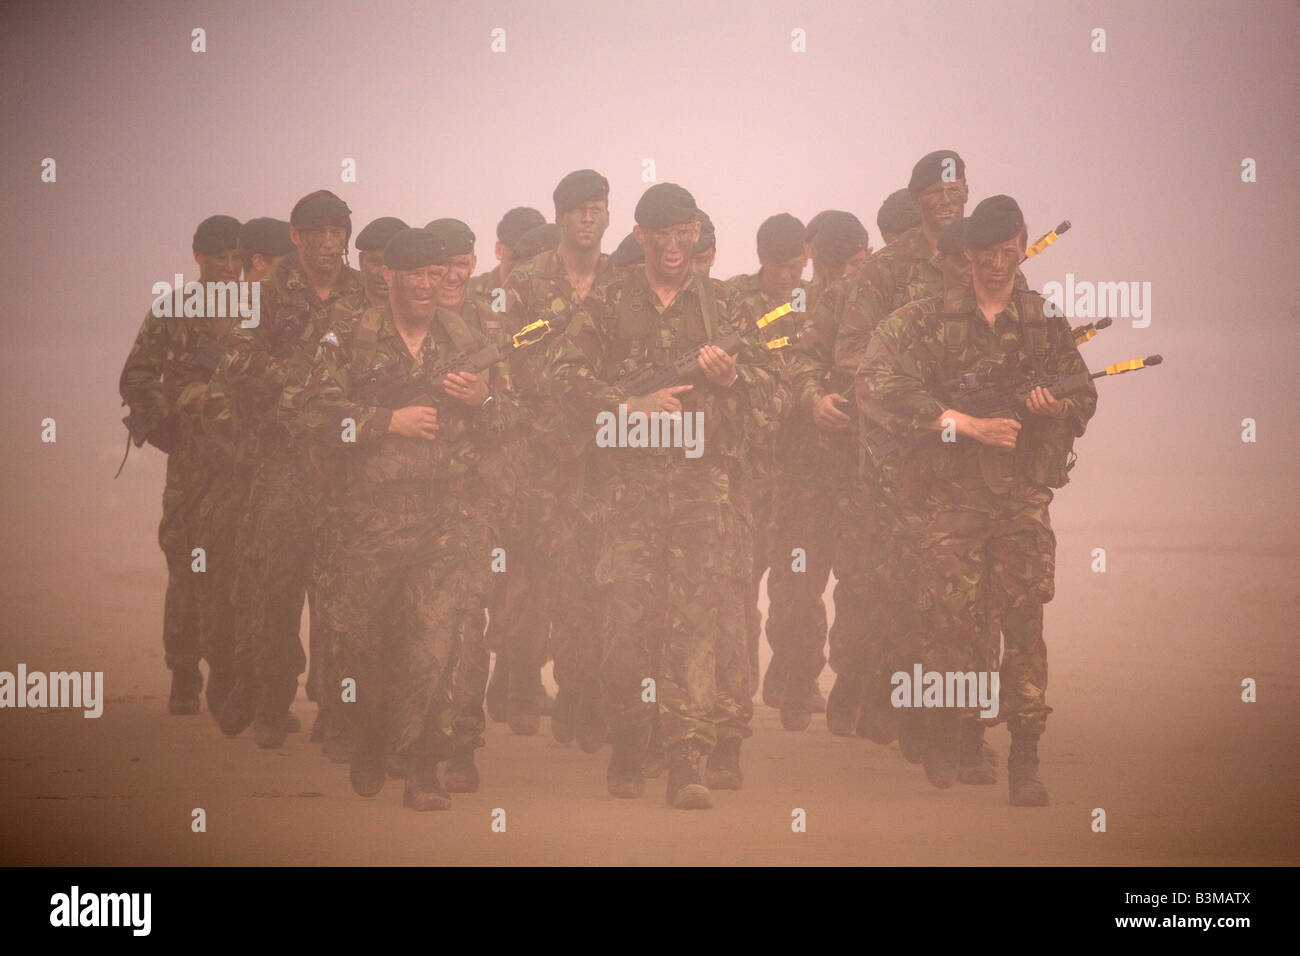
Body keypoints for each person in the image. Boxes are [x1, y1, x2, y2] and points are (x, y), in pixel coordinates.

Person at [858, 196, 1096, 804]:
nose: (997, 264)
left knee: (1021, 623)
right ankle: (956, 736)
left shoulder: (1042, 319)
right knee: (951, 627)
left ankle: (1026, 754)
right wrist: (960, 422)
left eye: (1008, 251)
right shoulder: (924, 319)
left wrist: (1056, 409)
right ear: (966, 254)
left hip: (1019, 499)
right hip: (947, 503)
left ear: (1022, 246)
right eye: (986, 253)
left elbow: (1084, 397)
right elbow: (879, 384)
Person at [546, 183, 777, 809]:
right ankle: (629, 740)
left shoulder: (727, 306)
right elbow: (563, 380)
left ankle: (687, 760)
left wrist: (732, 382)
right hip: (627, 495)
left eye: (685, 234)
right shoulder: (607, 303)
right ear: (641, 237)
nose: (674, 246)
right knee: (625, 628)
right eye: (661, 234)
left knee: (695, 626)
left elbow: (773, 392)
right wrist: (629, 405)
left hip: (704, 488)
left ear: (697, 235)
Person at [295, 227, 520, 810]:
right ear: (388, 277)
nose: (427, 285)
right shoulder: (349, 342)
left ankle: (424, 766)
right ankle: (371, 730)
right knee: (363, 643)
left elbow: (514, 421)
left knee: (436, 643)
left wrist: (484, 401)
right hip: (370, 521)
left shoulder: (471, 338)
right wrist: (384, 422)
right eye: (414, 274)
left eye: (435, 273)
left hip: (449, 518)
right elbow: (309, 416)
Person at [119, 213, 241, 716]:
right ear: (198, 257)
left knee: (239, 571)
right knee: (189, 565)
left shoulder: (263, 313)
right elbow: (136, 378)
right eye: (219, 257)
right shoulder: (174, 312)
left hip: (246, 462)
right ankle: (185, 672)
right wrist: (176, 412)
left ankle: (233, 676)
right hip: (193, 462)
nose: (229, 267)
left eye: (237, 257)